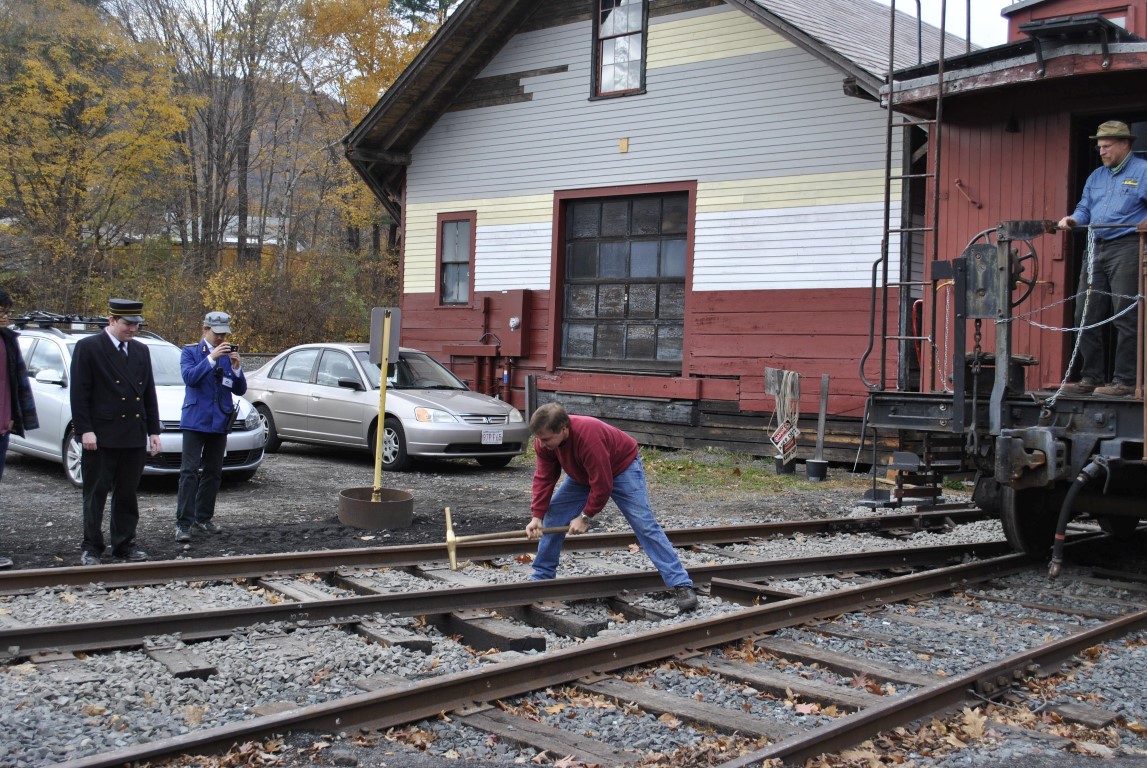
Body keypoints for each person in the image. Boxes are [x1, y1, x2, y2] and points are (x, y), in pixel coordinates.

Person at [524, 402, 698, 612]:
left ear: (564, 429)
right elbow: (544, 478)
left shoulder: (589, 437)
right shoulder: (543, 443)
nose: (542, 444)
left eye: (546, 439)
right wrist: (537, 516)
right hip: (582, 474)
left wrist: (585, 516)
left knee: (644, 525)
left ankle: (681, 584)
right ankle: (542, 579)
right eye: (539, 439)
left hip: (622, 468)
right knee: (554, 516)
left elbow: (602, 485)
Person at [1058, 120, 1147, 397]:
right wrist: (1073, 219)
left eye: (1107, 146)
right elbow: (1084, 208)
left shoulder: (1143, 171)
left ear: (1125, 144)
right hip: (1095, 246)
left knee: (1126, 313)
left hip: (1128, 246)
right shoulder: (1096, 176)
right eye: (1099, 147)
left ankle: (1125, 381)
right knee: (1084, 312)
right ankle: (1091, 377)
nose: (1102, 152)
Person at [71, 298, 161, 565]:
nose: (133, 329)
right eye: (127, 324)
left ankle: (124, 544)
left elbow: (148, 393)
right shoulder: (89, 347)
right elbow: (79, 393)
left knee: (126, 494)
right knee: (95, 493)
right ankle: (91, 546)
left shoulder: (141, 350)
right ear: (111, 320)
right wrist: (85, 430)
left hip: (133, 434)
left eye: (136, 325)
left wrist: (153, 431)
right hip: (101, 435)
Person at [175, 311, 245, 542]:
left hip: (219, 421)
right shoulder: (191, 352)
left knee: (213, 473)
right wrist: (211, 358)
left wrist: (237, 368)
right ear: (205, 329)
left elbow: (240, 390)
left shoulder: (227, 355)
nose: (221, 338)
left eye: (224, 333)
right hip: (195, 421)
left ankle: (203, 518)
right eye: (217, 333)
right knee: (189, 472)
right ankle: (183, 523)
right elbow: (190, 378)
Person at [1, 289, 39, 570]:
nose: (5, 316)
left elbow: (15, 383)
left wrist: (14, 417)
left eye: (7, 311)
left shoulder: (8, 340)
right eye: (1, 311)